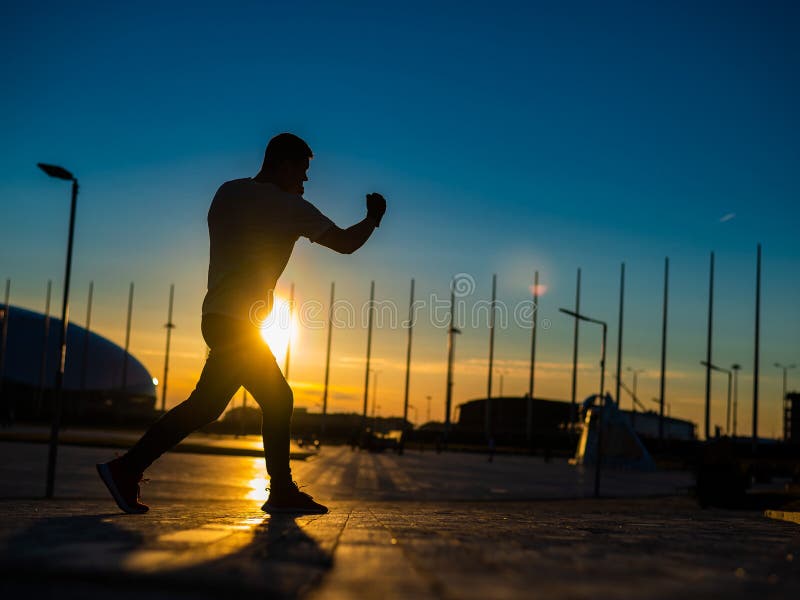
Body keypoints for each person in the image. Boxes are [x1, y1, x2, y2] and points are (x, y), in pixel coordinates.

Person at [97, 133, 386, 515]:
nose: (305, 179)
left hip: (216, 317)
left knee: (207, 406)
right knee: (277, 399)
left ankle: (127, 469)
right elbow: (346, 243)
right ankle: (279, 490)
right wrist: (373, 218)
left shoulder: (227, 192)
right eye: (302, 170)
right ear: (283, 165)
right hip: (239, 324)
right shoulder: (289, 206)